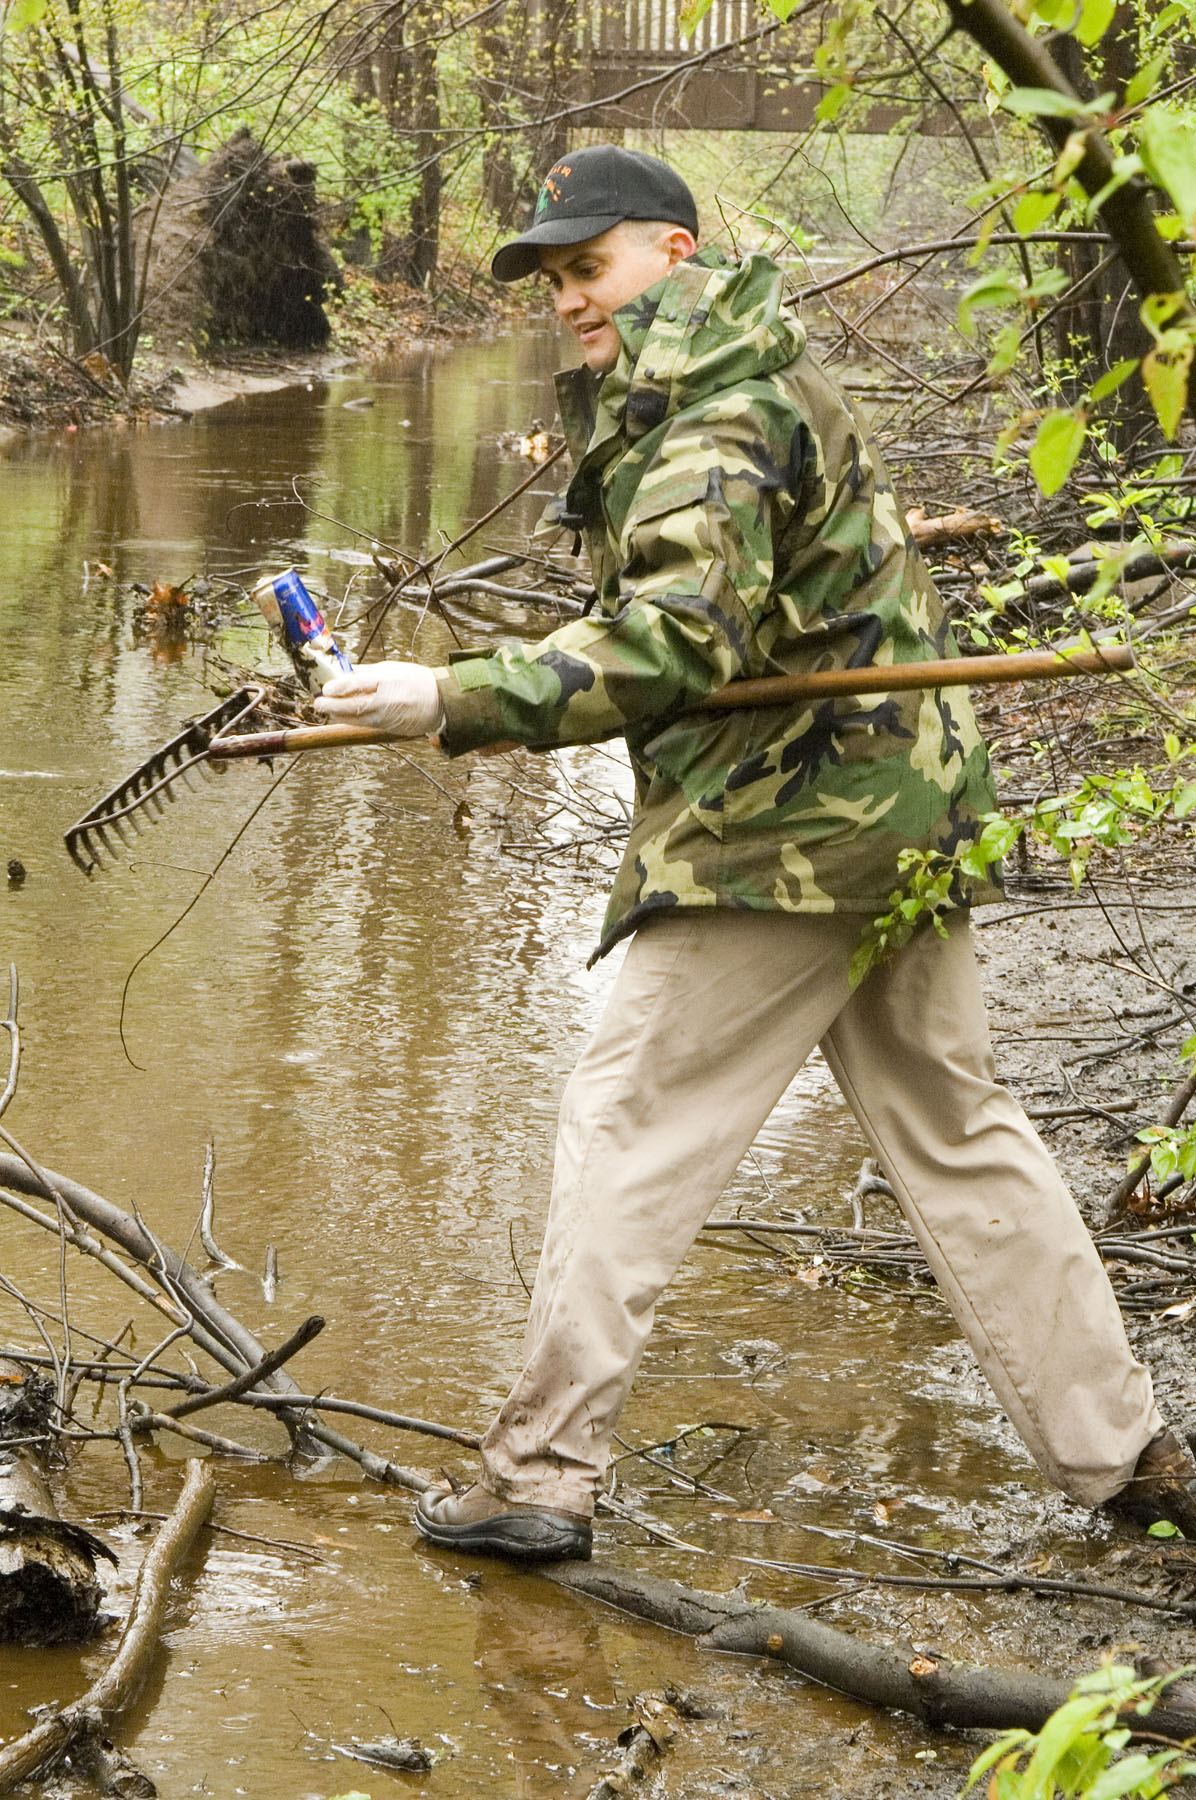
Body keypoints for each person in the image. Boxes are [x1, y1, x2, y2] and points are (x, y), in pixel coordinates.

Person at [316, 145, 1196, 1562]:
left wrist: (455, 697)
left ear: (672, 251)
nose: (567, 297)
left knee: (627, 1119)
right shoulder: (738, 370)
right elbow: (712, 610)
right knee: (960, 1135)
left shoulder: (717, 406)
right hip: (897, 815)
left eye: (587, 266)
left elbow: (675, 642)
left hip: (787, 836)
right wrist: (475, 683)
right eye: (551, 279)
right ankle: (1128, 1455)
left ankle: (539, 1474)